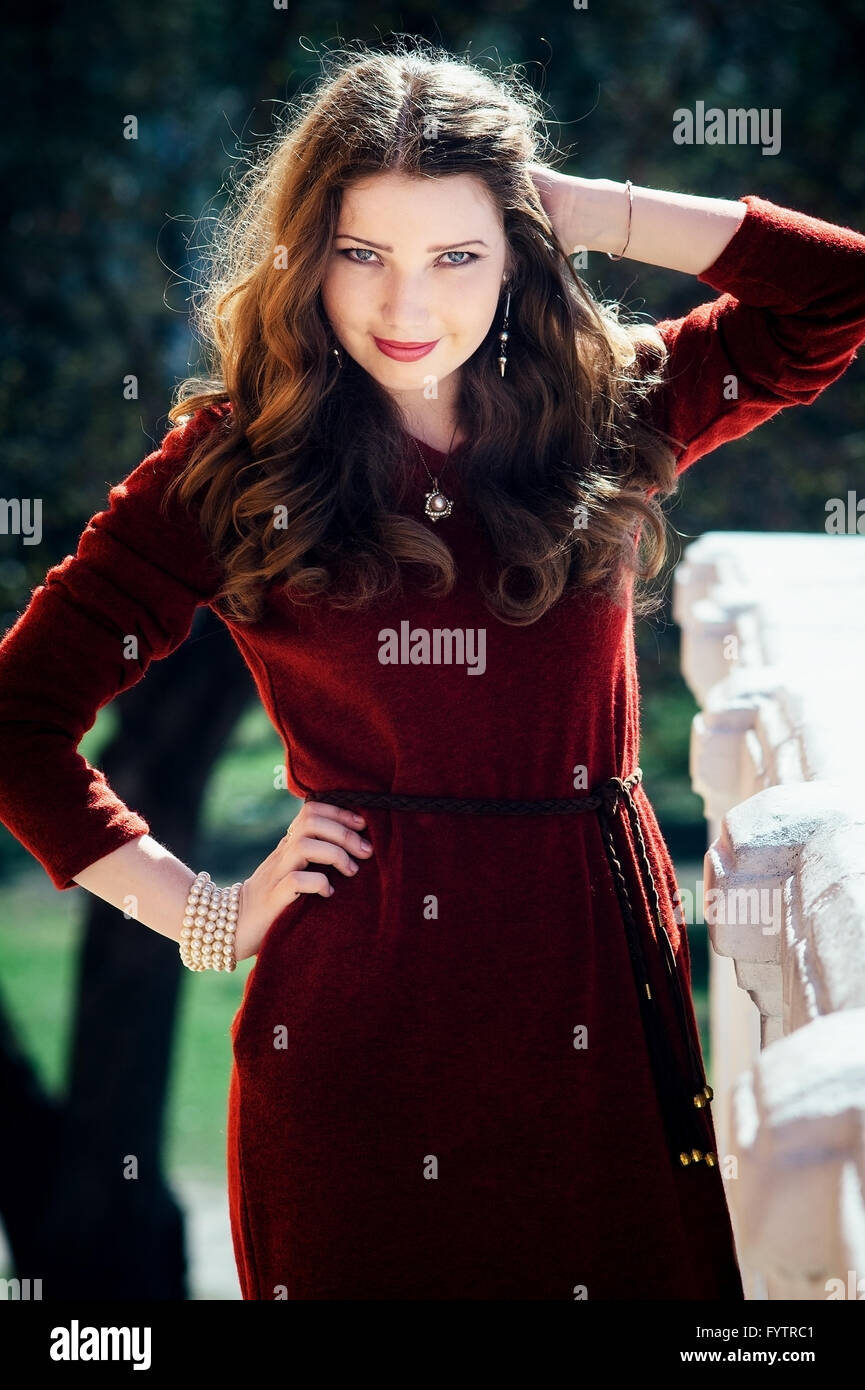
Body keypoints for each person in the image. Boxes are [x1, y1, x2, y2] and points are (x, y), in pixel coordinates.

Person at [1, 41, 864, 1301]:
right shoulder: (229, 466)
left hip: (597, 1006)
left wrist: (583, 205)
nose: (407, 306)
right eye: (364, 253)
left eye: (457, 254)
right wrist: (205, 911)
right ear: (309, 257)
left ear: (519, 251)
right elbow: (17, 722)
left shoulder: (610, 403)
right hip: (355, 1035)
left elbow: (834, 297)